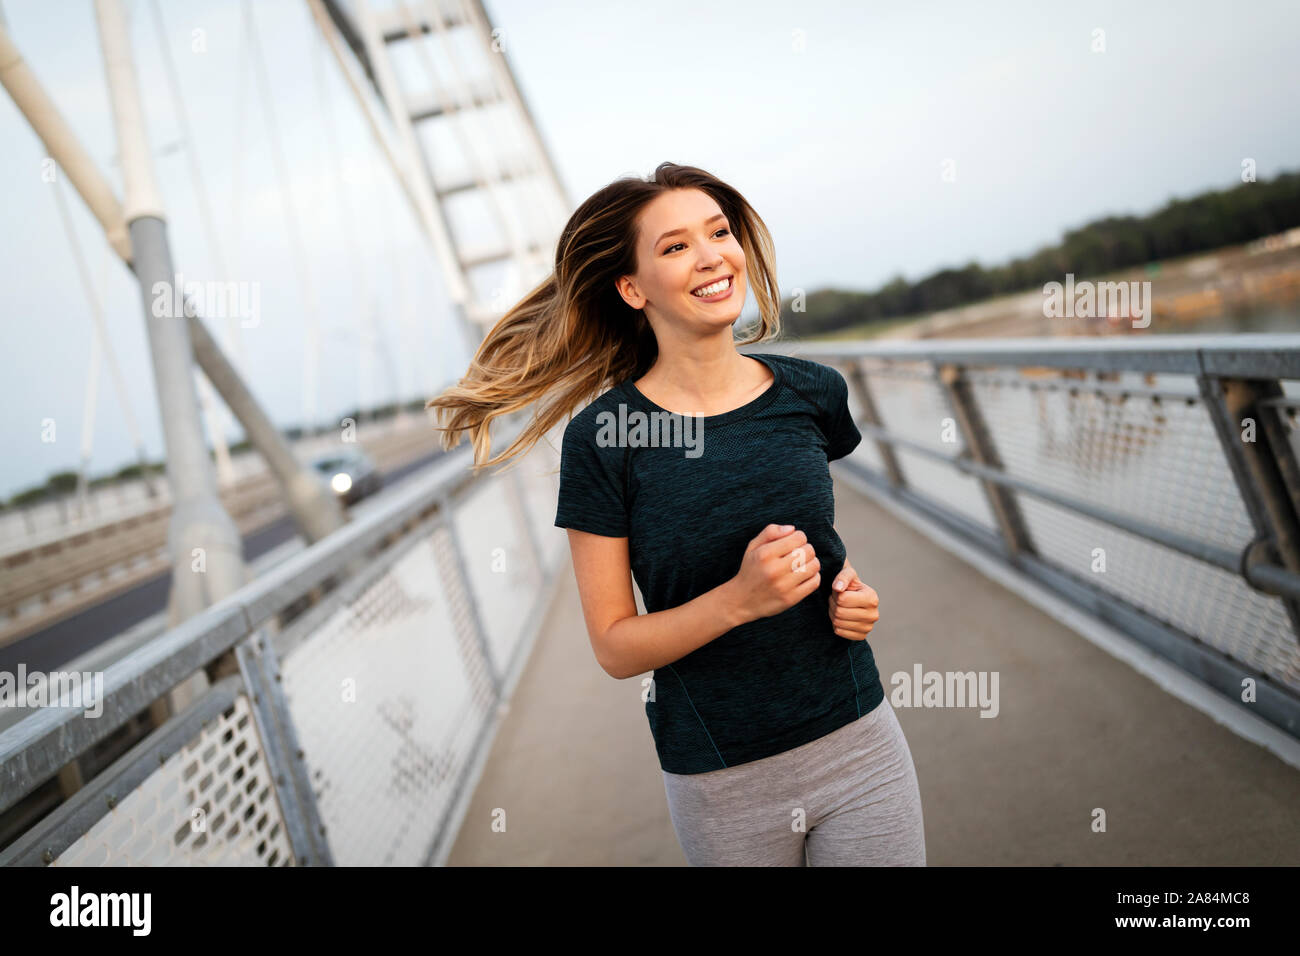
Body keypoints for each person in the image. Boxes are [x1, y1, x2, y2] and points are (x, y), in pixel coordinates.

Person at [426, 162, 925, 866]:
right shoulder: (605, 438)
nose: (712, 254)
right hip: (723, 778)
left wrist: (856, 596)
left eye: (719, 232)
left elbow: (822, 543)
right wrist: (740, 600)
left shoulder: (812, 392)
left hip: (859, 740)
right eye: (675, 246)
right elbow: (614, 646)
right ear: (632, 289)